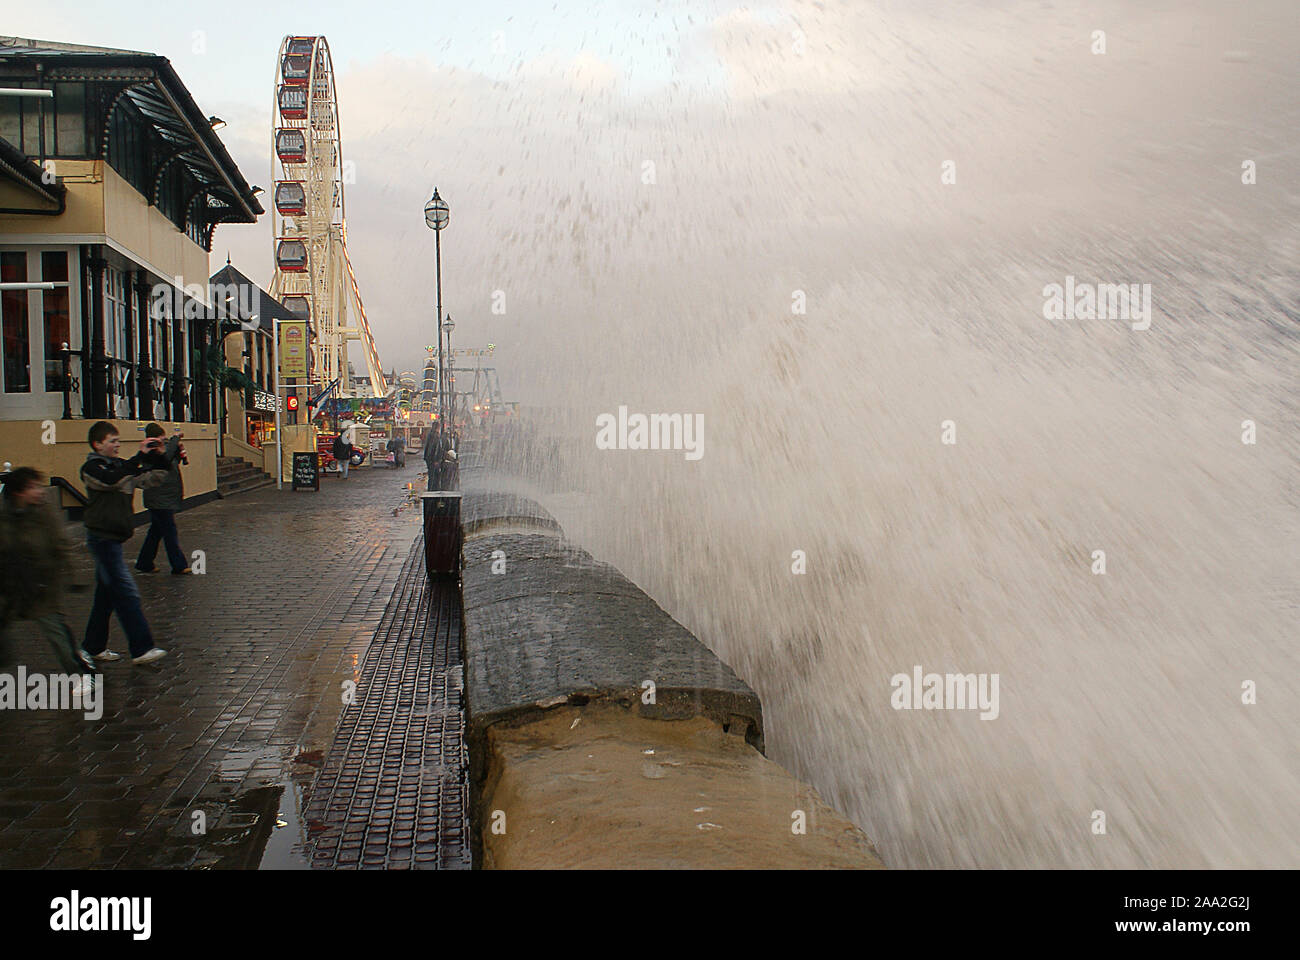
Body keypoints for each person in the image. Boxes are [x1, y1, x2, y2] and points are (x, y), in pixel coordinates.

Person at [0, 467, 97, 696]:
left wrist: (74, 577)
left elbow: (61, 545)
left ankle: (82, 674)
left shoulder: (44, 513)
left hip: (41, 584)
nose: (40, 491)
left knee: (55, 632)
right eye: (33, 487)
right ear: (18, 492)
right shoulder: (4, 516)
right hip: (10, 584)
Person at [80, 420, 170, 665]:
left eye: (118, 441)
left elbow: (154, 479)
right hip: (102, 538)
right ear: (98, 444)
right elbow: (110, 480)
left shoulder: (122, 466)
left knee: (105, 596)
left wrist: (160, 456)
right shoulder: (92, 468)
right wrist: (138, 456)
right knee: (126, 592)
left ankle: (92, 646)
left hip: (115, 537)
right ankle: (141, 648)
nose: (117, 445)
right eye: (112, 441)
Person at [135, 423, 190, 575]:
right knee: (169, 532)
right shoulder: (152, 449)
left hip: (160, 497)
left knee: (156, 531)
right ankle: (178, 564)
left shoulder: (163, 448)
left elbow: (172, 459)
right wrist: (174, 440)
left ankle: (145, 562)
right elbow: (165, 456)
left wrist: (178, 449)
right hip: (160, 498)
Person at [422, 423, 447, 491]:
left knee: (432, 476)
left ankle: (432, 490)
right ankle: (433, 490)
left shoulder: (431, 434)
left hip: (430, 459)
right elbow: (434, 448)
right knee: (434, 476)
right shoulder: (434, 436)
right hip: (432, 460)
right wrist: (435, 460)